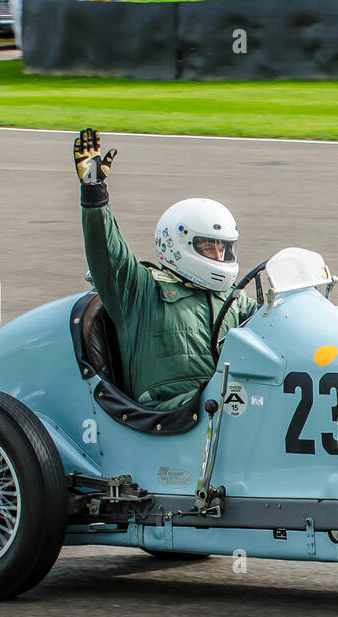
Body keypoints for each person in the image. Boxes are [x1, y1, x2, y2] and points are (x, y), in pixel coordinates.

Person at [73, 128, 257, 410]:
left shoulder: (234, 300)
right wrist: (94, 191)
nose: (219, 255)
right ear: (176, 243)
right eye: (209, 247)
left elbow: (278, 323)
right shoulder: (142, 290)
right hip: (172, 412)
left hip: (228, 405)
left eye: (224, 247)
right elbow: (107, 252)